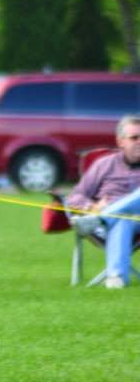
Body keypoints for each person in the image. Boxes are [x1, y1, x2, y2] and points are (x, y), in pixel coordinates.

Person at [66, 114, 140, 289]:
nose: (139, 142)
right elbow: (75, 196)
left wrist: (100, 214)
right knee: (123, 218)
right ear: (120, 141)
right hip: (113, 223)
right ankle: (116, 277)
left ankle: (101, 217)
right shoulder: (104, 165)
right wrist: (91, 206)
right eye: (134, 138)